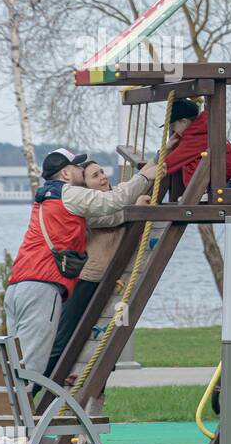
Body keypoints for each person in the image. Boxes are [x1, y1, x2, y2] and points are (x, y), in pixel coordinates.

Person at [5, 149, 155, 394]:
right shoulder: (69, 193)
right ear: (65, 173)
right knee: (32, 364)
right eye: (76, 167)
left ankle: (12, 416)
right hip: (43, 285)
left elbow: (106, 217)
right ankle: (21, 426)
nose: (79, 170)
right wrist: (145, 178)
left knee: (17, 359)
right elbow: (112, 201)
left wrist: (132, 208)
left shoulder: (47, 200)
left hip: (17, 286)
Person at [43, 161, 151, 385]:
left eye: (101, 172)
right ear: (86, 186)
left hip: (108, 279)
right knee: (65, 335)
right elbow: (112, 215)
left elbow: (124, 195)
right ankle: (39, 385)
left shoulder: (117, 197)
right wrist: (135, 208)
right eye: (94, 176)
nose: (102, 177)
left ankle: (82, 382)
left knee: (103, 340)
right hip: (87, 279)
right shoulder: (88, 209)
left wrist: (165, 152)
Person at [164, 97, 231, 197]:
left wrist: (143, 176)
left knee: (188, 163)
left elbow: (167, 165)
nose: (173, 130)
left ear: (184, 122)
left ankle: (201, 192)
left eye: (173, 126)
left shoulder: (195, 138)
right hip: (223, 178)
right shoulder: (203, 127)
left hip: (216, 183)